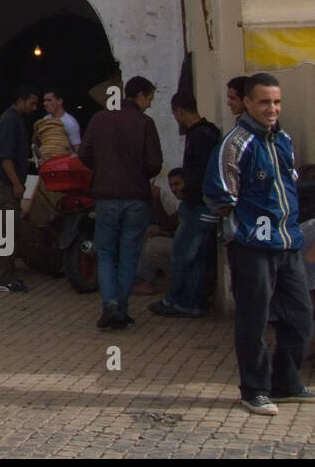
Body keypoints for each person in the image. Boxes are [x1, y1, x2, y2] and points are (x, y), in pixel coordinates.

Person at [203, 72, 313, 414]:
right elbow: (219, 194)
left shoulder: (283, 141)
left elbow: (289, 184)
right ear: (248, 102)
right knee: (253, 319)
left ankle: (286, 383)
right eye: (265, 102)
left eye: (277, 102)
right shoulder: (234, 144)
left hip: (288, 244)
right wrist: (248, 226)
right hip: (252, 247)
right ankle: (254, 389)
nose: (272, 109)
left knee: (300, 316)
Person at [79, 75, 163, 329]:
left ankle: (110, 305)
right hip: (136, 197)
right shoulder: (144, 123)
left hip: (105, 196)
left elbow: (84, 154)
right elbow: (154, 163)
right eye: (148, 98)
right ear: (139, 96)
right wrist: (137, 174)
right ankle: (122, 308)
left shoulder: (100, 119)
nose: (148, 104)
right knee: (129, 254)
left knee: (104, 252)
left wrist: (104, 170)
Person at [149, 92, 221, 318]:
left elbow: (198, 174)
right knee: (195, 256)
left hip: (199, 205)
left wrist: (189, 195)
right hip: (207, 204)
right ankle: (190, 301)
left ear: (179, 111)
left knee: (183, 254)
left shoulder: (199, 136)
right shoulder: (210, 132)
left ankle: (176, 300)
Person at [0, 86, 38, 293]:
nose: (35, 108)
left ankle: (5, 275)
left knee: (10, 229)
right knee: (7, 231)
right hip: (6, 184)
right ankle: (3, 279)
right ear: (21, 100)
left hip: (8, 182)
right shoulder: (10, 120)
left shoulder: (16, 119)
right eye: (32, 103)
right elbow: (5, 158)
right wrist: (16, 183)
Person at [133, 169, 184, 295]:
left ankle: (180, 281)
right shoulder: (184, 205)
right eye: (171, 185)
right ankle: (144, 279)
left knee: (152, 247)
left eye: (177, 184)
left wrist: (156, 200)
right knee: (150, 231)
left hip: (188, 249)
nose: (174, 189)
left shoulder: (190, 204)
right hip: (180, 239)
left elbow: (168, 225)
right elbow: (170, 225)